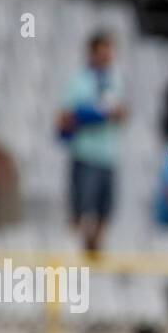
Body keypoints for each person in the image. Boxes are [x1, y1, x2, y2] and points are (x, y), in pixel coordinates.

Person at [58, 31, 126, 253]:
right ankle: (72, 255)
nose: (107, 58)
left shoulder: (116, 80)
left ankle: (96, 255)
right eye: (102, 53)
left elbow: (124, 112)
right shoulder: (79, 81)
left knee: (104, 213)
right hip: (86, 155)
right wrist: (93, 115)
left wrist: (116, 114)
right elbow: (64, 119)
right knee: (80, 211)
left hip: (108, 157)